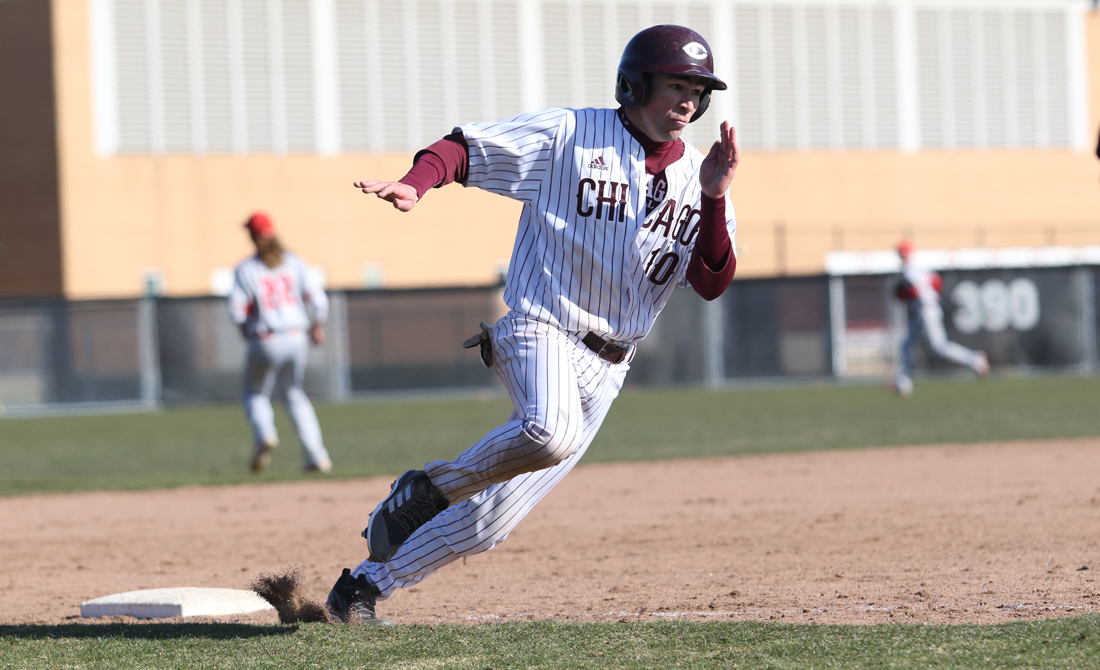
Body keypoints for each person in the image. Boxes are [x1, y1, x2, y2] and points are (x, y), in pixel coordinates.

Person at [325, 25, 740, 624]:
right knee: (551, 431)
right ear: (635, 84)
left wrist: (716, 199)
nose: (687, 100)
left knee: (491, 522)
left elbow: (710, 282)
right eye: (675, 84)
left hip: (610, 366)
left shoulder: (701, 176)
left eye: (697, 89)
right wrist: (418, 184)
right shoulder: (570, 134)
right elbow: (467, 148)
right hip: (540, 325)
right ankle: (427, 489)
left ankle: (360, 589)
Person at [227, 212, 333, 473]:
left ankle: (265, 434)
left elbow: (236, 310)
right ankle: (317, 456)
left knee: (255, 393)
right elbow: (319, 301)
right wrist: (317, 326)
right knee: (295, 394)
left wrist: (244, 329)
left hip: (266, 338)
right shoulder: (294, 261)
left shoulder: (246, 268)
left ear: (252, 236)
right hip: (297, 336)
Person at [891, 240, 989, 397]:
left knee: (940, 347)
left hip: (926, 311)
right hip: (928, 309)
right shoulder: (921, 265)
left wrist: (905, 294)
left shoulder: (910, 269)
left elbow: (916, 291)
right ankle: (903, 382)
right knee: (906, 345)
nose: (900, 256)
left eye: (901, 253)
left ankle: (976, 360)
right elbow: (937, 282)